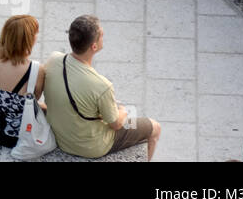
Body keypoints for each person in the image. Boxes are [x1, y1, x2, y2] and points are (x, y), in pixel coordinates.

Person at [43, 15, 161, 160]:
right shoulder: (102, 86)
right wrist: (122, 111)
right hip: (91, 146)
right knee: (154, 128)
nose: (103, 38)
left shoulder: (53, 59)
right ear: (94, 46)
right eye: (102, 36)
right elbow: (116, 124)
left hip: (59, 135)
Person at [0, 15, 47, 147]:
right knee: (47, 108)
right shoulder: (35, 69)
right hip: (15, 136)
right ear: (28, 39)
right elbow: (35, 98)